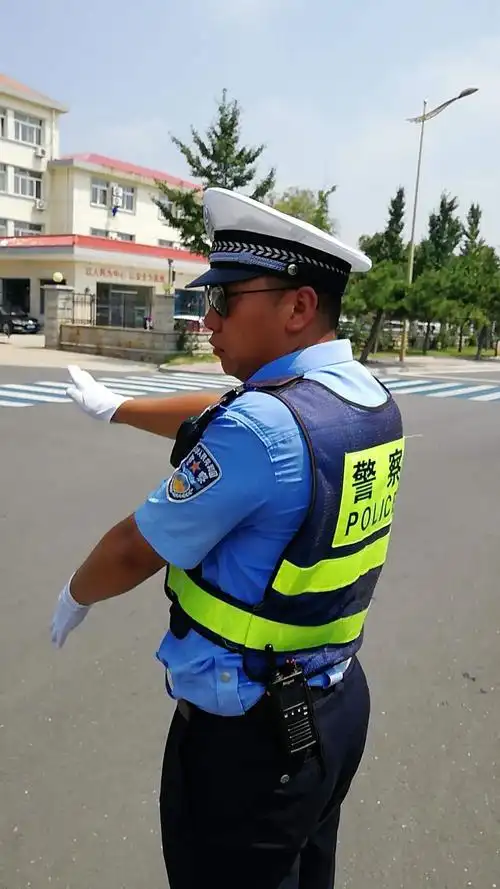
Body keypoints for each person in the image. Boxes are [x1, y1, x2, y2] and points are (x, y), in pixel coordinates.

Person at [51, 187, 405, 889]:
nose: (206, 320)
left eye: (226, 300)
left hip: (249, 739)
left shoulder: (265, 428)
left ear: (298, 307)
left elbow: (132, 546)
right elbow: (224, 411)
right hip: (333, 704)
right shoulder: (362, 396)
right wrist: (116, 406)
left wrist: (74, 593)